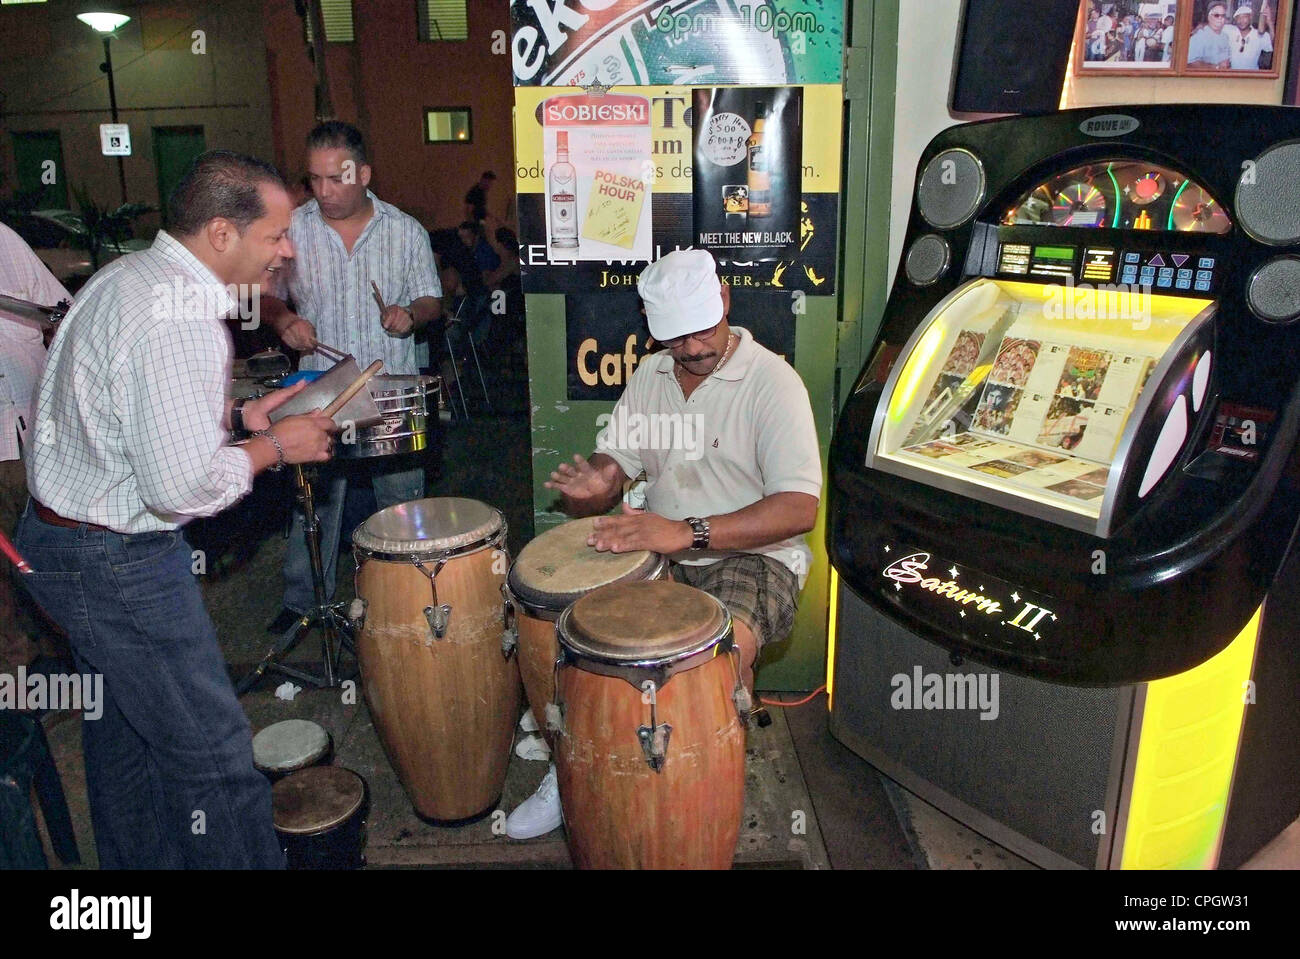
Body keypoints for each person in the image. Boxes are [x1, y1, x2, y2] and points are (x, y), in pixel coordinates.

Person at [14, 150, 337, 868]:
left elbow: (128, 408)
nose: (288, 250)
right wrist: (276, 447)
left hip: (57, 544)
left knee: (125, 736)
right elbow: (179, 487)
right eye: (277, 235)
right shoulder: (183, 321)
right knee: (215, 759)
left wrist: (239, 414)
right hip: (115, 563)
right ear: (222, 232)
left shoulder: (128, 277)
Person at [504, 249, 822, 839]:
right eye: (675, 339)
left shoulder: (773, 382)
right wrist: (598, 481)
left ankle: (702, 787)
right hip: (663, 551)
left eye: (702, 329)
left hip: (754, 557)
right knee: (582, 641)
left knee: (709, 660)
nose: (692, 348)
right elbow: (617, 458)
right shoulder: (651, 376)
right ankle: (573, 766)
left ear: (724, 300)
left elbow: (798, 508)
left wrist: (685, 532)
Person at [261, 121, 442, 631]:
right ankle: (302, 602)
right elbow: (265, 295)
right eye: (314, 179)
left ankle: (413, 594)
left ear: (363, 174)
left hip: (389, 391)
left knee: (402, 499)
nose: (323, 191)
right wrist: (284, 320)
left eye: (335, 179)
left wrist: (412, 313)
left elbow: (432, 298)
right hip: (321, 389)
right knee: (314, 500)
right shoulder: (292, 229)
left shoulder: (405, 230)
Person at [0, 223, 70, 678]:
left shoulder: (3, 240)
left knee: (51, 551)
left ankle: (69, 654)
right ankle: (17, 671)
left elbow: (61, 312)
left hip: (33, 431)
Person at [1188, 2, 1233, 68]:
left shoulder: (1225, 36)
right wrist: (1216, 67)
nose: (1220, 18)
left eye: (1223, 15)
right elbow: (1190, 63)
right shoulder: (1199, 37)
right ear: (1209, 17)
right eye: (1216, 15)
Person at [1227, 3, 1273, 69]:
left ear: (1250, 17)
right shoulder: (1230, 30)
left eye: (1244, 17)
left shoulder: (1258, 35)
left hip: (1252, 76)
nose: (1241, 21)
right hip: (1232, 75)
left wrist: (1269, 21)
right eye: (1238, 18)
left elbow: (1272, 41)